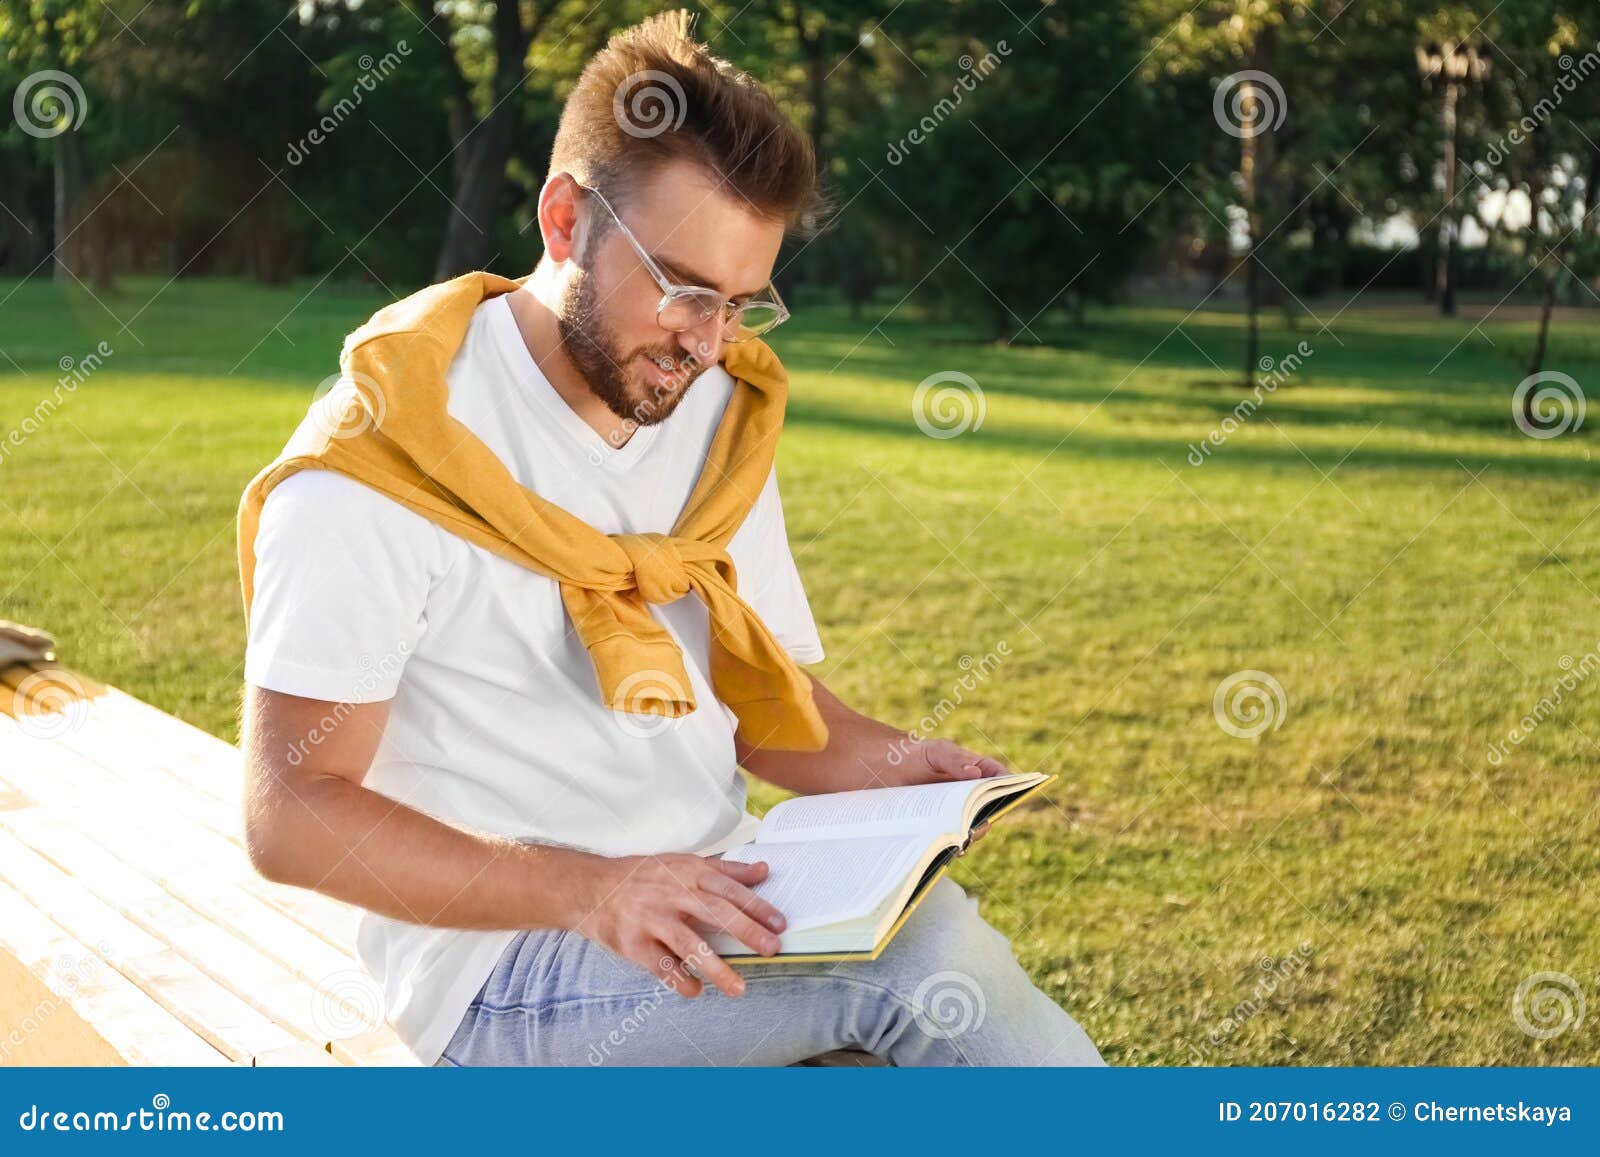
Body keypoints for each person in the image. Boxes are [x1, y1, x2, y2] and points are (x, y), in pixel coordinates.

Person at [238, 10, 1102, 1068]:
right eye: (685, 288)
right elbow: (292, 815)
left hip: (708, 890)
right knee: (921, 966)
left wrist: (896, 764)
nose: (707, 341)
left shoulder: (711, 412)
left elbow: (753, 713)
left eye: (742, 302)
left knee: (918, 1003)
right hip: (507, 961)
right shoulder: (379, 457)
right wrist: (593, 889)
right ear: (565, 220)